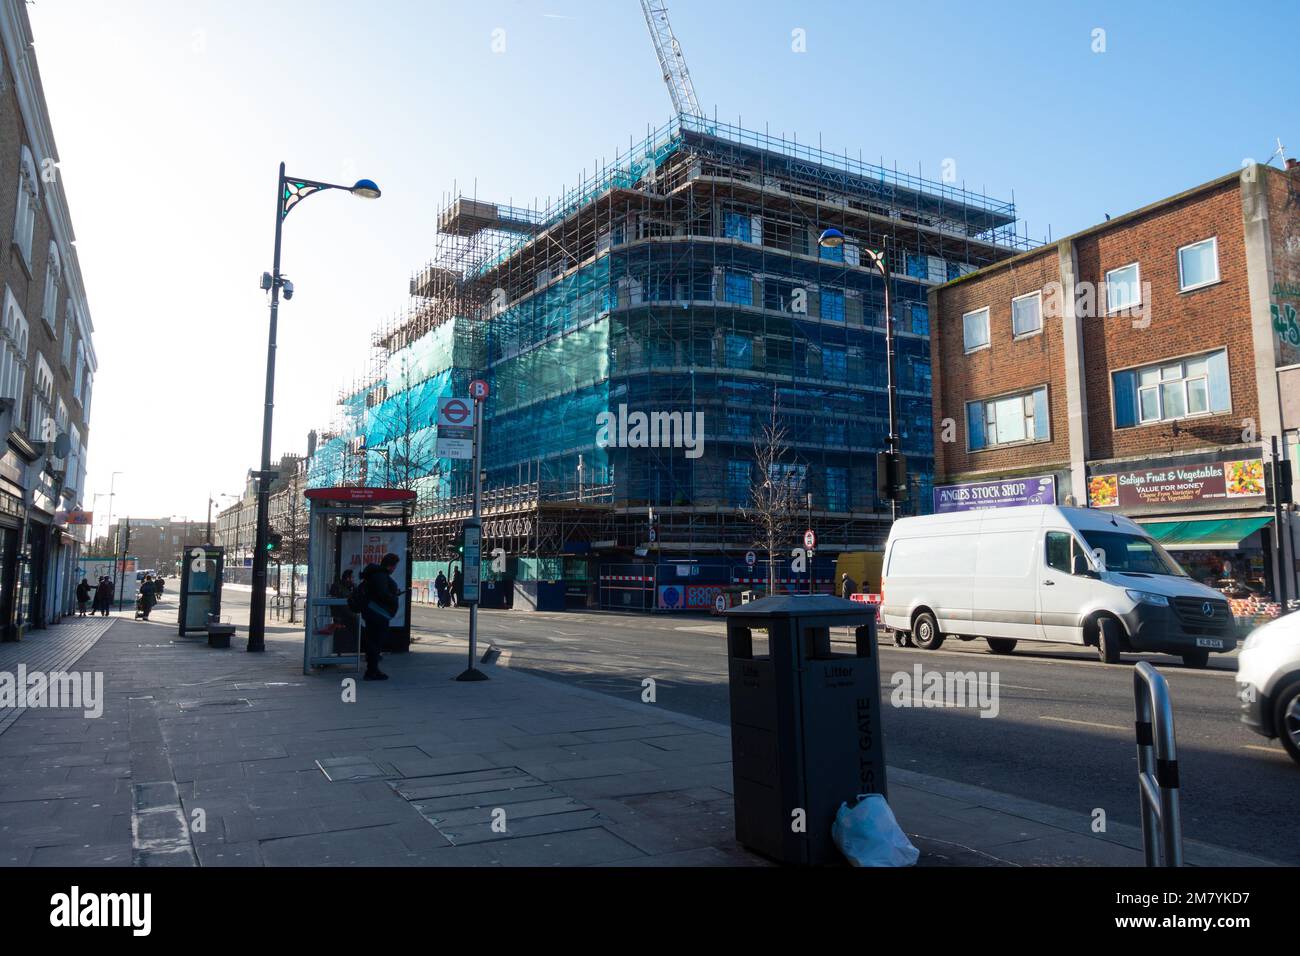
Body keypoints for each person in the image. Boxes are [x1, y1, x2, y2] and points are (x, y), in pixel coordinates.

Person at [357, 553, 401, 681]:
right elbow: (382, 594)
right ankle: (372, 671)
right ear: (390, 565)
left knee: (374, 641)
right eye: (394, 566)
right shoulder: (380, 576)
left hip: (374, 613)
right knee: (376, 642)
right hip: (378, 614)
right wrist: (393, 596)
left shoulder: (377, 574)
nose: (394, 569)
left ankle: (373, 669)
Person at [328, 569, 358, 652]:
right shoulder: (338, 587)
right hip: (342, 616)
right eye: (352, 577)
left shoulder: (350, 587)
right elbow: (341, 604)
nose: (353, 579)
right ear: (348, 578)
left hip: (347, 615)